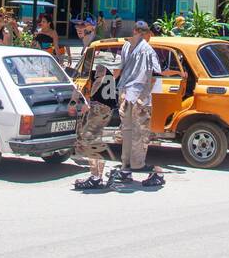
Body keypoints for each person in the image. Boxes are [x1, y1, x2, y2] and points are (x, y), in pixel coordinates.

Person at [110, 20, 165, 187]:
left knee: (127, 133)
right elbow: (156, 74)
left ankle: (125, 169)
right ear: (147, 34)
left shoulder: (126, 46)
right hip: (140, 98)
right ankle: (138, 165)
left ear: (134, 31)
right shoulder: (148, 50)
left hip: (125, 96)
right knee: (140, 135)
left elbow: (117, 71)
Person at [69, 51, 119, 190]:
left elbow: (99, 80)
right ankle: (98, 176)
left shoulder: (101, 68)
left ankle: (95, 177)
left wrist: (89, 101)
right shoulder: (111, 66)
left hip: (98, 108)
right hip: (106, 107)